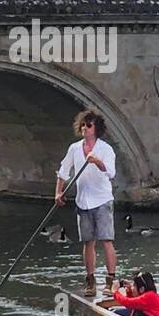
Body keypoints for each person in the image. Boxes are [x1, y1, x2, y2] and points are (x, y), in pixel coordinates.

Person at [56, 109, 118, 298]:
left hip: (102, 199)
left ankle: (110, 279)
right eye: (83, 124)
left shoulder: (105, 149)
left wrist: (97, 161)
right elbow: (63, 170)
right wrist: (58, 192)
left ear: (96, 128)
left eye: (88, 125)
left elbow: (111, 172)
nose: (84, 127)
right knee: (88, 242)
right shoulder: (75, 148)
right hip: (83, 201)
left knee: (106, 240)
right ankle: (90, 280)